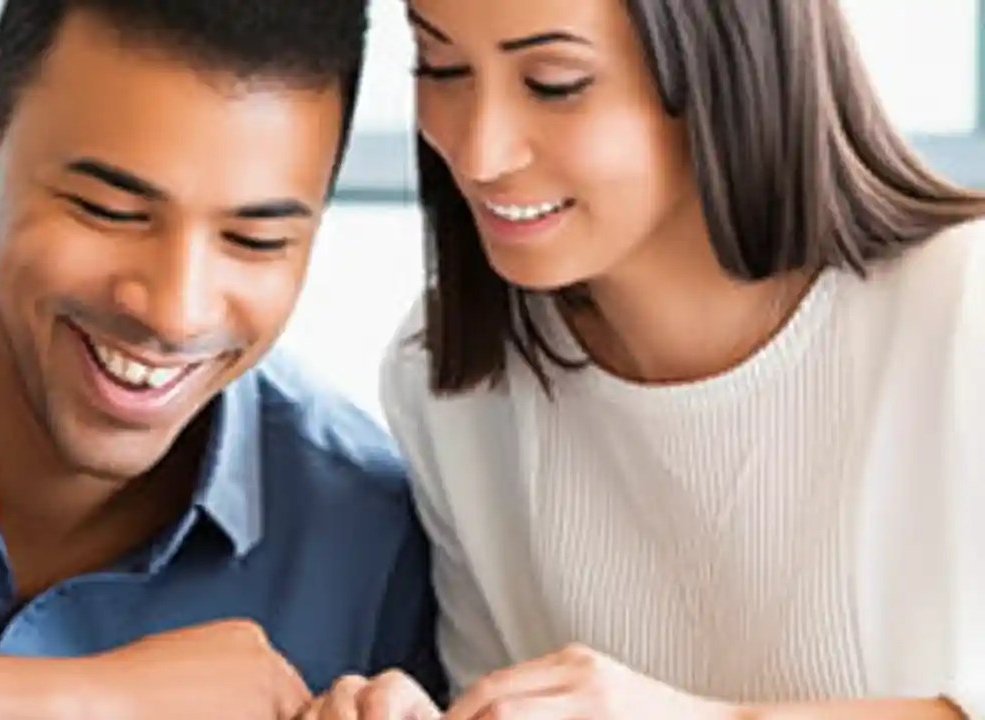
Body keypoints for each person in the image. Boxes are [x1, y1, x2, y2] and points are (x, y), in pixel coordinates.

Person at [0, 0, 443, 717]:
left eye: (256, 242)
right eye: (110, 212)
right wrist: (92, 700)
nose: (174, 311)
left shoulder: (368, 543)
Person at [300, 0, 985, 718]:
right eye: (441, 68)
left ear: (726, 64)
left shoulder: (961, 310)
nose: (480, 154)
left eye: (555, 83)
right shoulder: (455, 384)